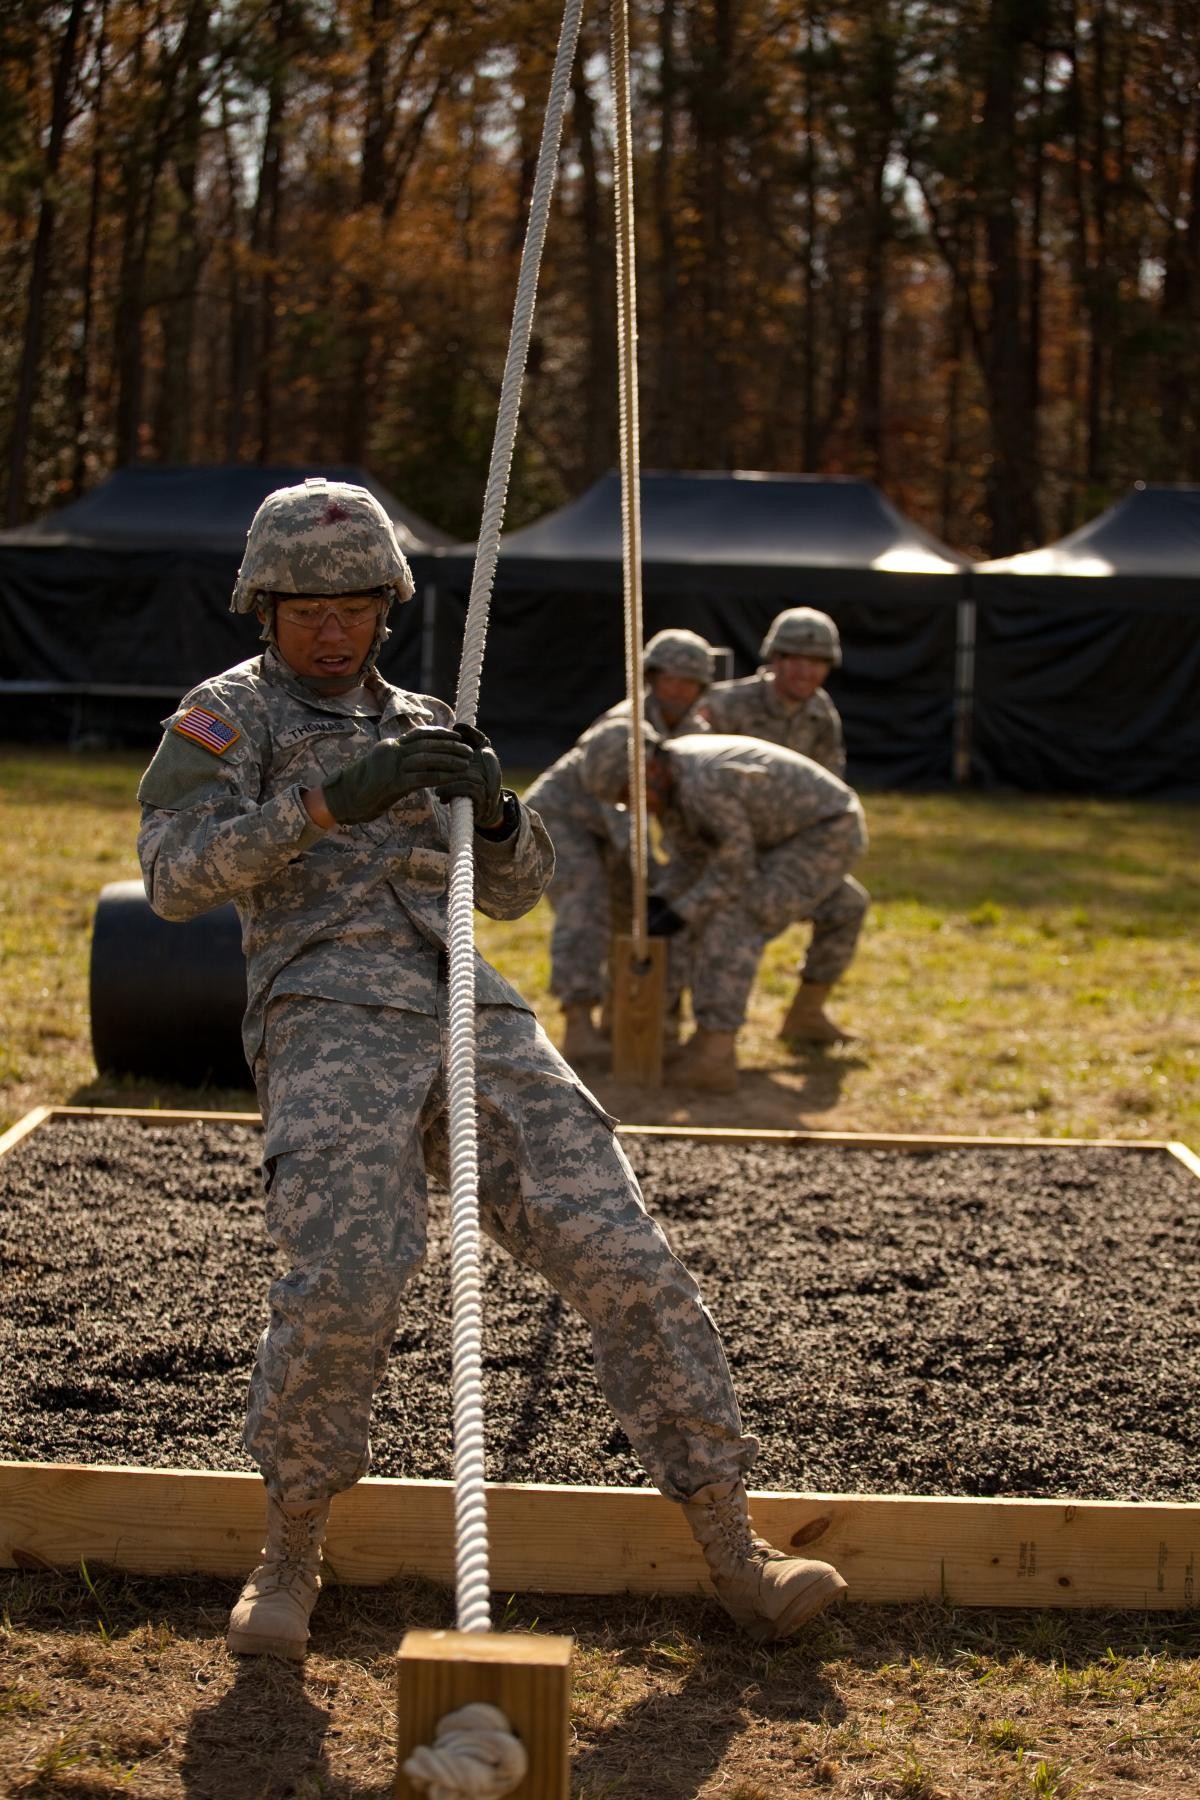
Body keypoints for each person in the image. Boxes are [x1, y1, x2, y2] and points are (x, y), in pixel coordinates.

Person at [136, 479, 846, 1662]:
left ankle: (736, 1547)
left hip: (475, 1007)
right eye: (305, 606)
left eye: (352, 605)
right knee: (348, 1278)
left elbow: (520, 893)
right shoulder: (223, 718)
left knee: (629, 1258)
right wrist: (321, 805)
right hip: (329, 1011)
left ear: (385, 607)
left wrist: (504, 816)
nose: (328, 628)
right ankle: (291, 1547)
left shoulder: (431, 715)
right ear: (264, 606)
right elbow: (171, 877)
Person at [580, 719, 870, 1090]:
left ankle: (714, 1055)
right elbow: (694, 858)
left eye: (628, 795)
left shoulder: (703, 783)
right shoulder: (673, 783)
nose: (635, 809)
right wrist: (664, 899)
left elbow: (734, 868)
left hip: (827, 831)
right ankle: (798, 1018)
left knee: (738, 919)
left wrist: (679, 911)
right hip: (775, 837)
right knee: (843, 905)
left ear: (647, 769)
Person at [523, 628, 715, 1065]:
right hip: (562, 818)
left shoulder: (694, 730)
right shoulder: (624, 726)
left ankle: (630, 1018)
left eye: (691, 682)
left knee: (639, 912)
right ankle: (578, 1025)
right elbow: (625, 814)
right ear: (651, 677)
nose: (680, 690)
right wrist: (659, 879)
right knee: (586, 901)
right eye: (671, 679)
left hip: (610, 827)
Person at [702, 607, 846, 774]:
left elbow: (830, 782)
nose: (805, 673)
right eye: (795, 660)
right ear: (775, 659)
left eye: (815, 662)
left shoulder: (820, 713)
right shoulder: (726, 705)